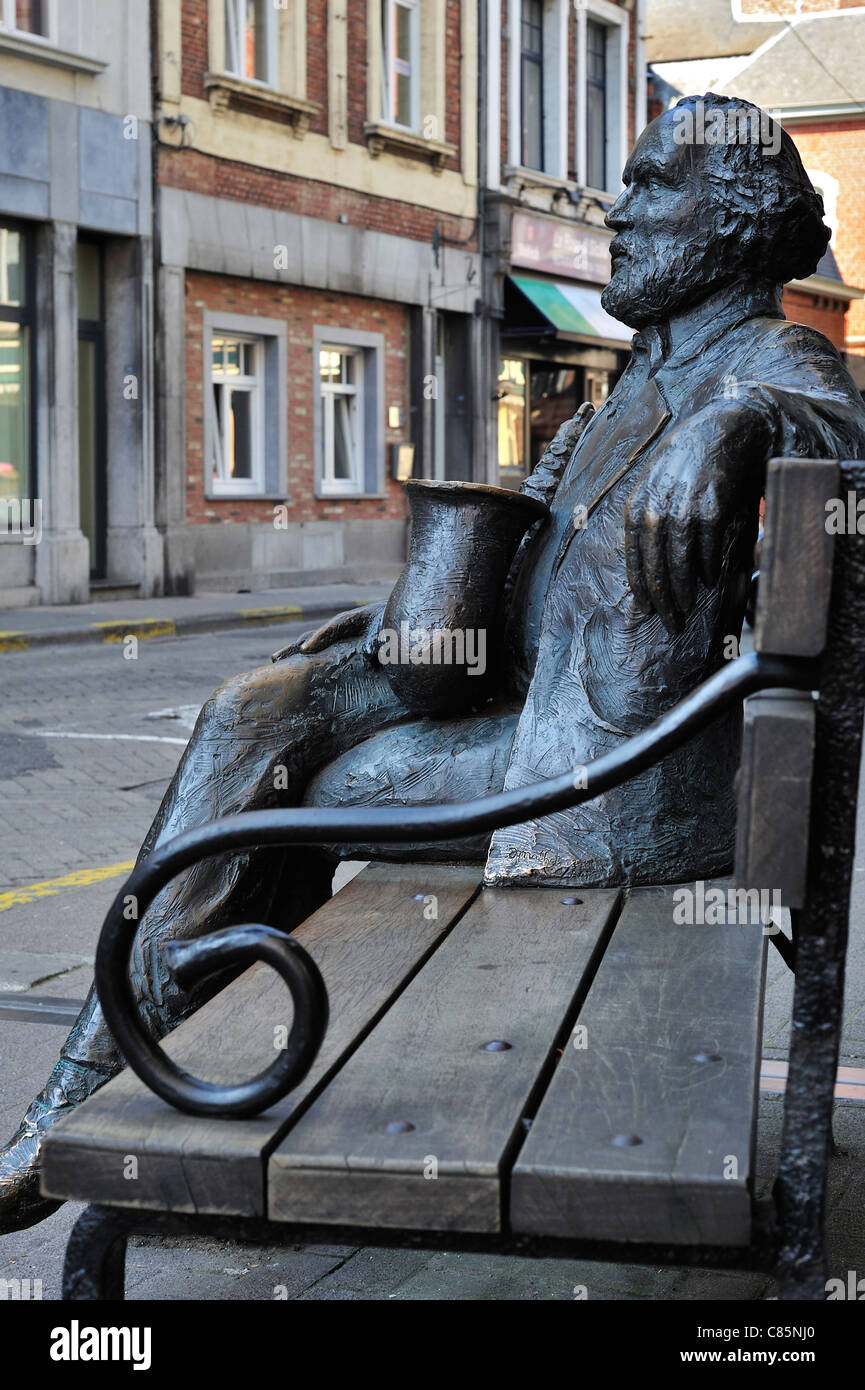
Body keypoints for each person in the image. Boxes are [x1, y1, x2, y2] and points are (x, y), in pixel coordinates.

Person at [3, 92, 865, 1233]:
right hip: (530, 706)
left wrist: (738, 422)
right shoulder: (637, 384)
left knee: (295, 789)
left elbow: (839, 432)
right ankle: (137, 1076)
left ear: (735, 224)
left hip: (604, 777)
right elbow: (529, 536)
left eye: (652, 186)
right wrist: (388, 624)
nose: (619, 210)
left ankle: (127, 1090)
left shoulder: (768, 358)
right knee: (255, 710)